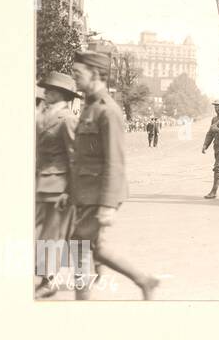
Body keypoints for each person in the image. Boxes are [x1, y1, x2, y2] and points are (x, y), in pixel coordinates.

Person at [68, 50, 160, 299]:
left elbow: (115, 161)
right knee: (88, 246)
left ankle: (82, 302)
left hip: (98, 193)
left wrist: (107, 204)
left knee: (79, 244)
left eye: (78, 74)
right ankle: (144, 280)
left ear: (96, 74)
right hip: (85, 191)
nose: (74, 78)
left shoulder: (108, 111)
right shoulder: (90, 107)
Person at [34, 72, 79, 298]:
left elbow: (74, 157)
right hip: (40, 182)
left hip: (58, 185)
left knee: (50, 236)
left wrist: (70, 191)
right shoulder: (43, 115)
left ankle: (48, 280)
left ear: (61, 94)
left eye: (50, 90)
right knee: (40, 234)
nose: (46, 92)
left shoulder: (68, 119)